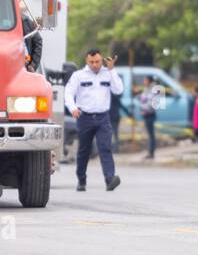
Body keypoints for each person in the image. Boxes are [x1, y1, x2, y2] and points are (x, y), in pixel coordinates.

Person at [63, 49, 124, 192]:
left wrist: (112, 70)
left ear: (101, 60)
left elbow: (118, 90)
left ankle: (110, 179)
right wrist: (72, 108)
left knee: (105, 148)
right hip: (84, 117)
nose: (95, 65)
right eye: (92, 62)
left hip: (103, 117)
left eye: (97, 61)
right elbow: (68, 93)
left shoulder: (107, 73)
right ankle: (81, 180)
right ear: (87, 61)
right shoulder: (78, 76)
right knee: (84, 150)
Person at [136, 82, 161, 160]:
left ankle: (151, 153)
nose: (144, 81)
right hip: (147, 114)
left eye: (146, 80)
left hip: (150, 115)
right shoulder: (147, 89)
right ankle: (150, 153)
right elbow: (143, 99)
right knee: (150, 135)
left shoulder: (153, 90)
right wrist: (138, 95)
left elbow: (152, 103)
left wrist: (145, 110)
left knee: (151, 135)